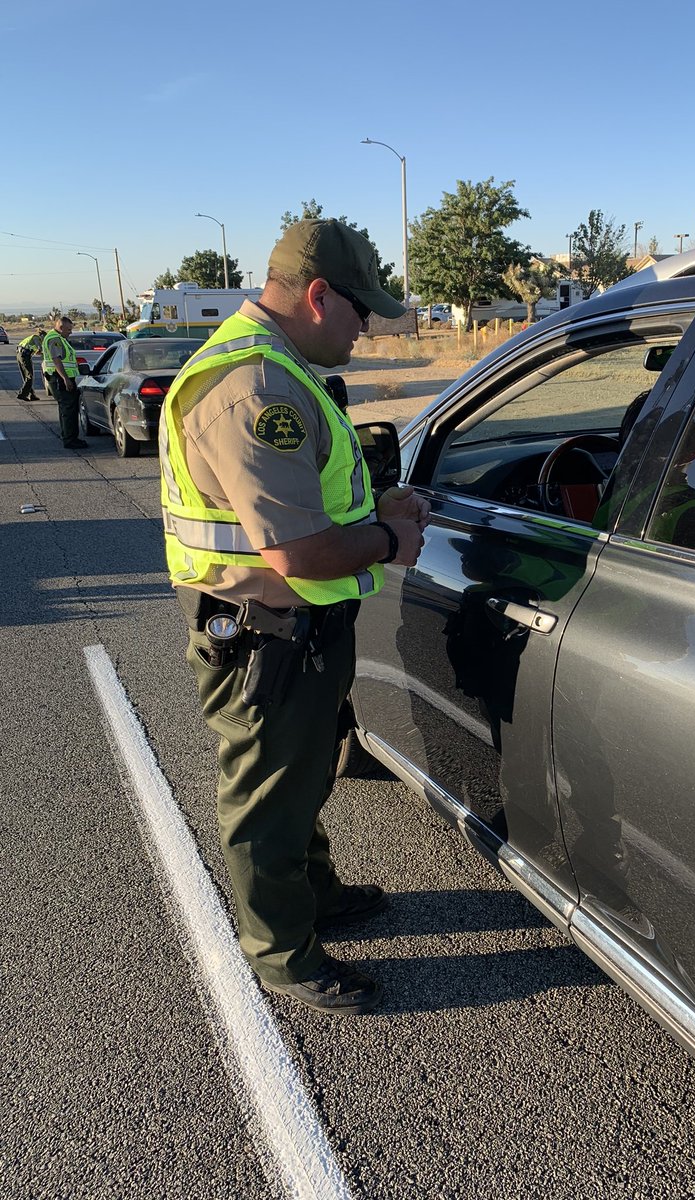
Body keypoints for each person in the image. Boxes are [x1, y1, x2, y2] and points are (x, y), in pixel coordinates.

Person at [159, 218, 430, 1016]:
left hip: (295, 630)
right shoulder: (257, 389)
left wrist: (373, 504)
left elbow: (302, 503)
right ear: (319, 297)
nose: (369, 326)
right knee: (269, 793)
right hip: (263, 635)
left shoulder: (281, 369)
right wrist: (389, 537)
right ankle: (281, 951)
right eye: (363, 311)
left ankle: (313, 891)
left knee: (304, 772)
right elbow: (302, 553)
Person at [41, 317, 87, 449]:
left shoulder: (59, 338)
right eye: (68, 330)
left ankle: (68, 436)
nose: (70, 332)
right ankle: (70, 440)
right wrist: (66, 379)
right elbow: (57, 360)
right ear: (60, 328)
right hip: (59, 379)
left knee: (66, 409)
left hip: (61, 378)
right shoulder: (54, 339)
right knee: (69, 409)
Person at [16, 326, 45, 400]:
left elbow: (36, 351)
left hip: (21, 355)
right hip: (24, 355)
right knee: (29, 376)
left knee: (27, 376)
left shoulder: (31, 338)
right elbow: (40, 349)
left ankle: (32, 395)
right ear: (42, 336)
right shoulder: (37, 338)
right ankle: (22, 394)